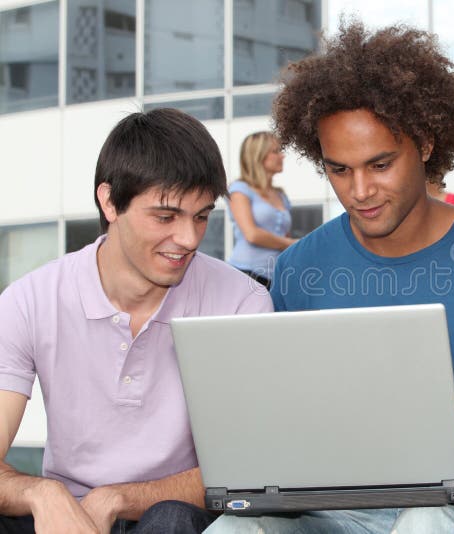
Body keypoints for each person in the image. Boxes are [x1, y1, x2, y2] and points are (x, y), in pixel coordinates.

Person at [206, 20, 454, 534]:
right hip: (330, 513)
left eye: (379, 164)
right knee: (232, 528)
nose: (360, 190)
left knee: (424, 522)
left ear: (424, 143)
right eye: (340, 169)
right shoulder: (299, 269)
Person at [0, 108, 273, 534]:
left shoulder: (242, 303)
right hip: (64, 517)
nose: (188, 239)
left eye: (201, 216)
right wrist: (43, 494)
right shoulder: (29, 300)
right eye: (165, 217)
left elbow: (249, 468)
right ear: (109, 201)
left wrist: (117, 498)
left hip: (174, 514)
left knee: (173, 521)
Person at [228, 131, 297, 289]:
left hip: (276, 277)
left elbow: (284, 235)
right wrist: (293, 243)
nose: (282, 156)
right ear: (259, 155)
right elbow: (252, 235)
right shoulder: (239, 190)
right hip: (246, 273)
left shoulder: (281, 195)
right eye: (276, 151)